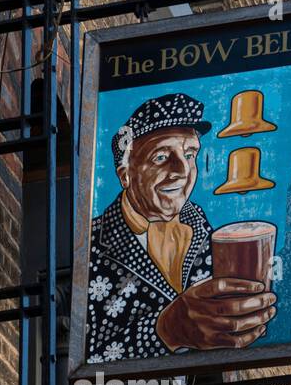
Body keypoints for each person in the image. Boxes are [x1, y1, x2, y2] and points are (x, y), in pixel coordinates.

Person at [86, 93, 276, 363]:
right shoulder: (90, 247)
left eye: (189, 154)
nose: (182, 170)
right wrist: (165, 331)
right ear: (126, 175)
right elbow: (81, 358)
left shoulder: (207, 235)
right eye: (161, 157)